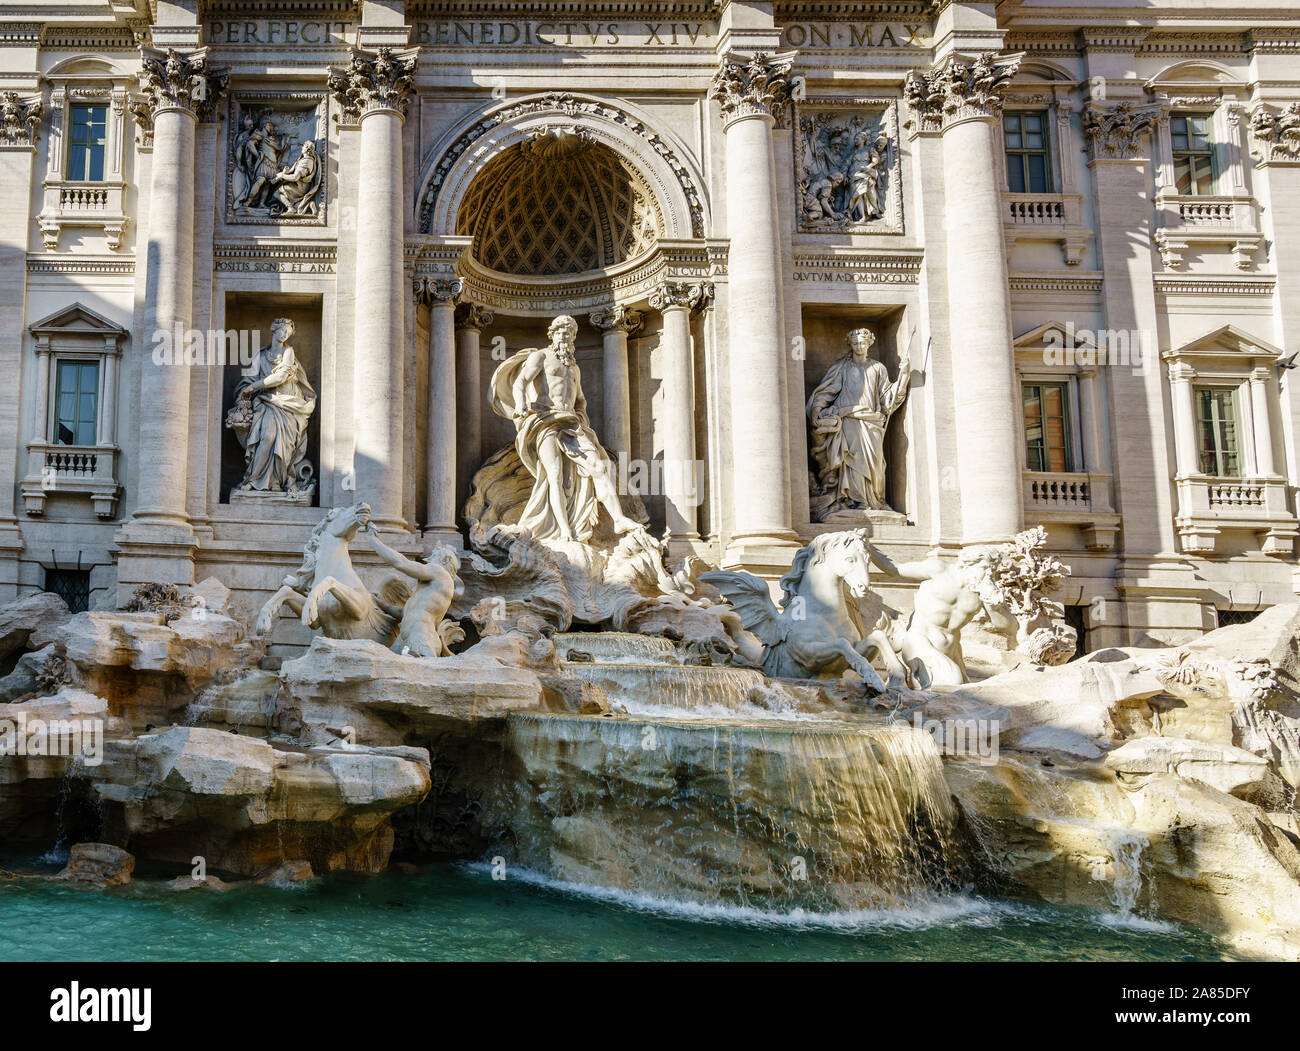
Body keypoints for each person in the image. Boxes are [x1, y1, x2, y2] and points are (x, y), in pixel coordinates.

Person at [489, 315, 641, 542]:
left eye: (569, 333)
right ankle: (564, 531)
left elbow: (580, 399)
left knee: (600, 467)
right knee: (555, 475)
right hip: (545, 421)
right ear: (552, 334)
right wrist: (521, 405)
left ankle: (618, 519)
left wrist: (582, 416)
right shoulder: (541, 356)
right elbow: (520, 382)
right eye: (561, 331)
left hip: (571, 424)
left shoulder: (574, 368)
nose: (565, 336)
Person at [807, 327, 910, 516]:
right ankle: (851, 501)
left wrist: (903, 377)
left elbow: (887, 399)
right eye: (855, 343)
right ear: (850, 344)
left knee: (874, 462)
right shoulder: (842, 367)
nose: (859, 346)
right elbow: (827, 391)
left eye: (862, 342)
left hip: (871, 422)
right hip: (848, 420)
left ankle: (874, 499)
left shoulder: (878, 368)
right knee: (850, 461)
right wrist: (817, 408)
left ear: (870, 343)